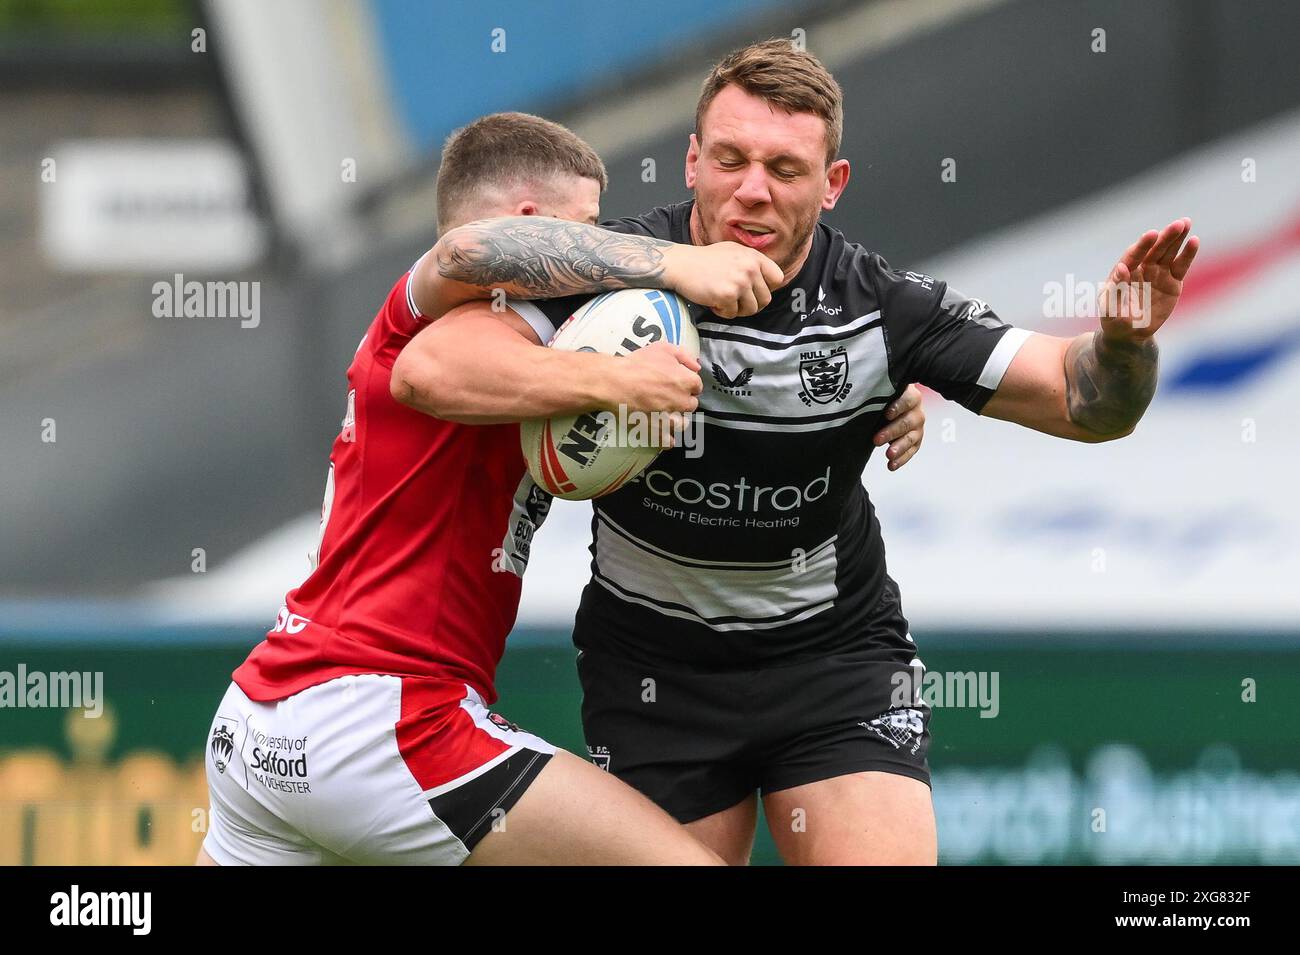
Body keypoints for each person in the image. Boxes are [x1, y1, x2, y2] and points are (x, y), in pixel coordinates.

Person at [400, 40, 1199, 865]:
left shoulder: (880, 307)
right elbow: (429, 367)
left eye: (785, 168)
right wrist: (593, 382)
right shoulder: (612, 270)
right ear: (692, 161)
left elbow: (1083, 401)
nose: (751, 189)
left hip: (833, 664)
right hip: (651, 673)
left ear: (832, 184)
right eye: (731, 158)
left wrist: (1122, 338)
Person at [197, 111, 929, 865]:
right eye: (587, 232)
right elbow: (468, 255)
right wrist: (670, 268)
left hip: (262, 720)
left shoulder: (529, 350)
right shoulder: (441, 314)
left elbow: (707, 378)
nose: (605, 264)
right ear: (530, 225)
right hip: (385, 716)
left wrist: (859, 400)